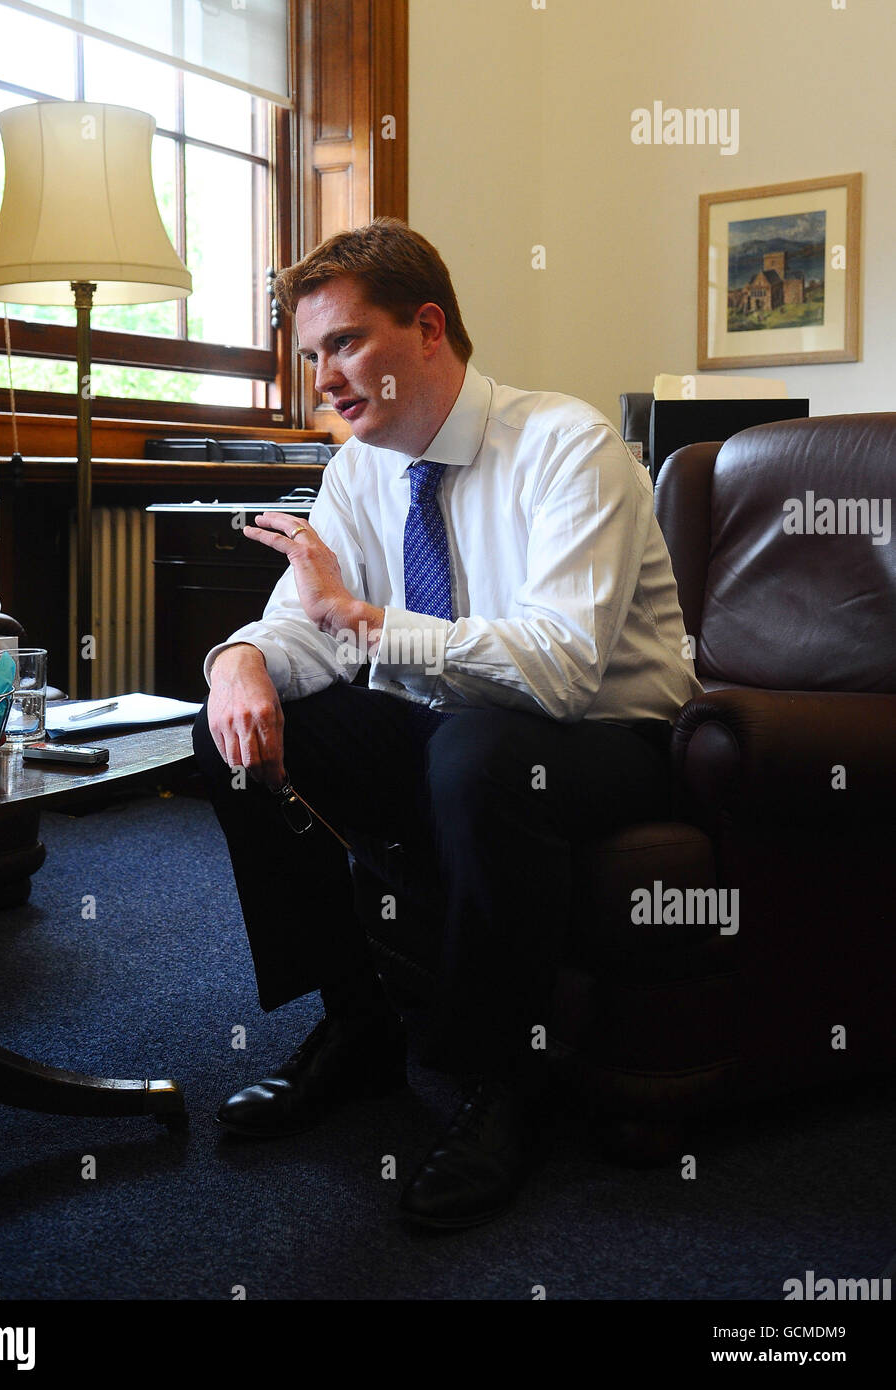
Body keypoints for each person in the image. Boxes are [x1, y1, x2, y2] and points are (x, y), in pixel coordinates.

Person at [192, 218, 702, 1229]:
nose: (323, 379)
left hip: (611, 737)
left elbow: (557, 671)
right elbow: (308, 631)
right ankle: (360, 1022)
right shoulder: (359, 469)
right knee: (238, 731)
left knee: (477, 751)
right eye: (309, 357)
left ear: (428, 328)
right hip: (455, 727)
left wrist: (370, 623)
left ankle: (501, 1081)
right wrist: (239, 661)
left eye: (343, 344)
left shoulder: (568, 446)